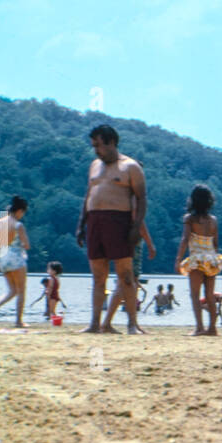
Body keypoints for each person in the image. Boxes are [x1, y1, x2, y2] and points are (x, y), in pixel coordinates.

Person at [75, 125, 147, 334]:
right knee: (98, 276)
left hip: (119, 221)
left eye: (99, 145)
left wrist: (135, 228)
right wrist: (81, 225)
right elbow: (88, 196)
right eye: (94, 146)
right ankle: (95, 323)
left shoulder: (130, 167)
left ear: (112, 142)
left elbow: (142, 198)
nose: (96, 150)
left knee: (125, 275)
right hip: (95, 221)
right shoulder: (94, 166)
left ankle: (132, 323)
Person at [176, 185, 222, 337]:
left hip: (197, 258)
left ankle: (199, 327)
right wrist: (213, 257)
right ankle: (212, 328)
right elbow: (216, 243)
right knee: (210, 294)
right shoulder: (213, 220)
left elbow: (185, 239)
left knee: (195, 294)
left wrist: (178, 259)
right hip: (211, 258)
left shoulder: (190, 219)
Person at [102, 219, 157, 331]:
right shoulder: (133, 203)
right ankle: (129, 324)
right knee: (127, 283)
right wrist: (150, 244)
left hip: (124, 242)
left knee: (124, 284)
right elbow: (139, 221)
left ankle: (114, 322)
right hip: (132, 245)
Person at [0, 197, 30, 327]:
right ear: (20, 211)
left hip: (2, 257)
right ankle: (18, 321)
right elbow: (26, 245)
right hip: (15, 258)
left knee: (12, 291)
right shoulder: (18, 225)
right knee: (21, 290)